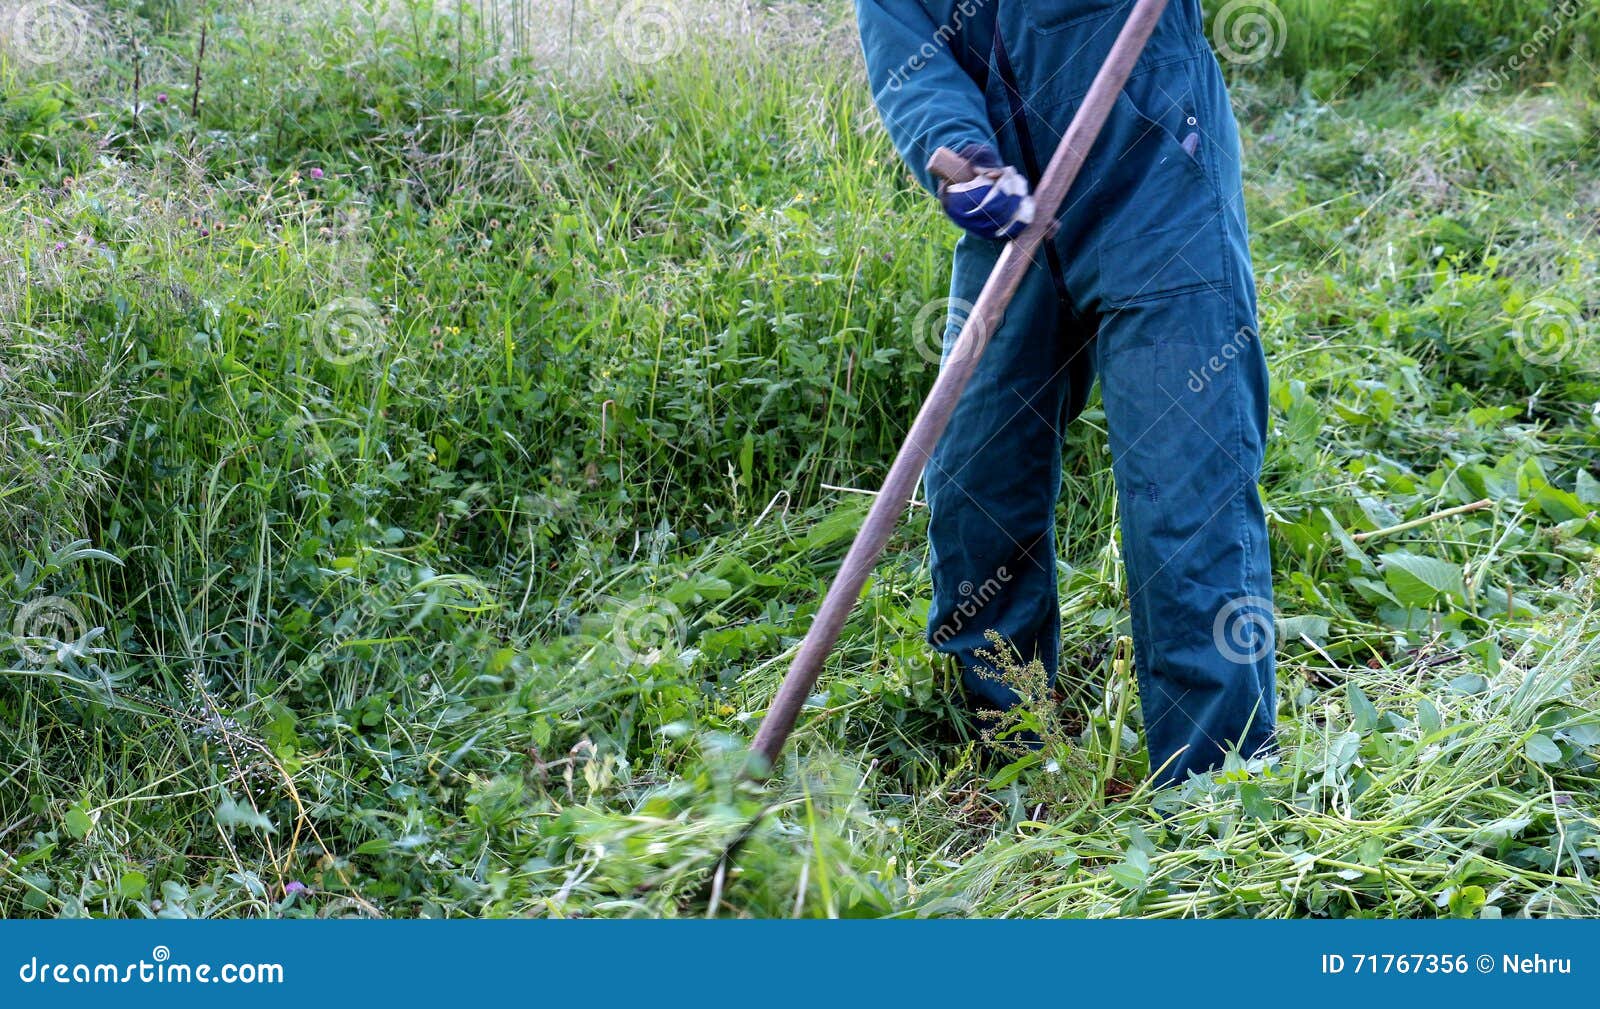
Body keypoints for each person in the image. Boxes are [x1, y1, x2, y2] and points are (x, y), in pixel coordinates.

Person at [856, 0, 1275, 784]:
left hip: (1158, 184)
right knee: (974, 478)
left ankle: (1218, 794)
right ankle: (1012, 748)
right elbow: (909, 59)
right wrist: (961, 160)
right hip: (1011, 219)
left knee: (1184, 496)